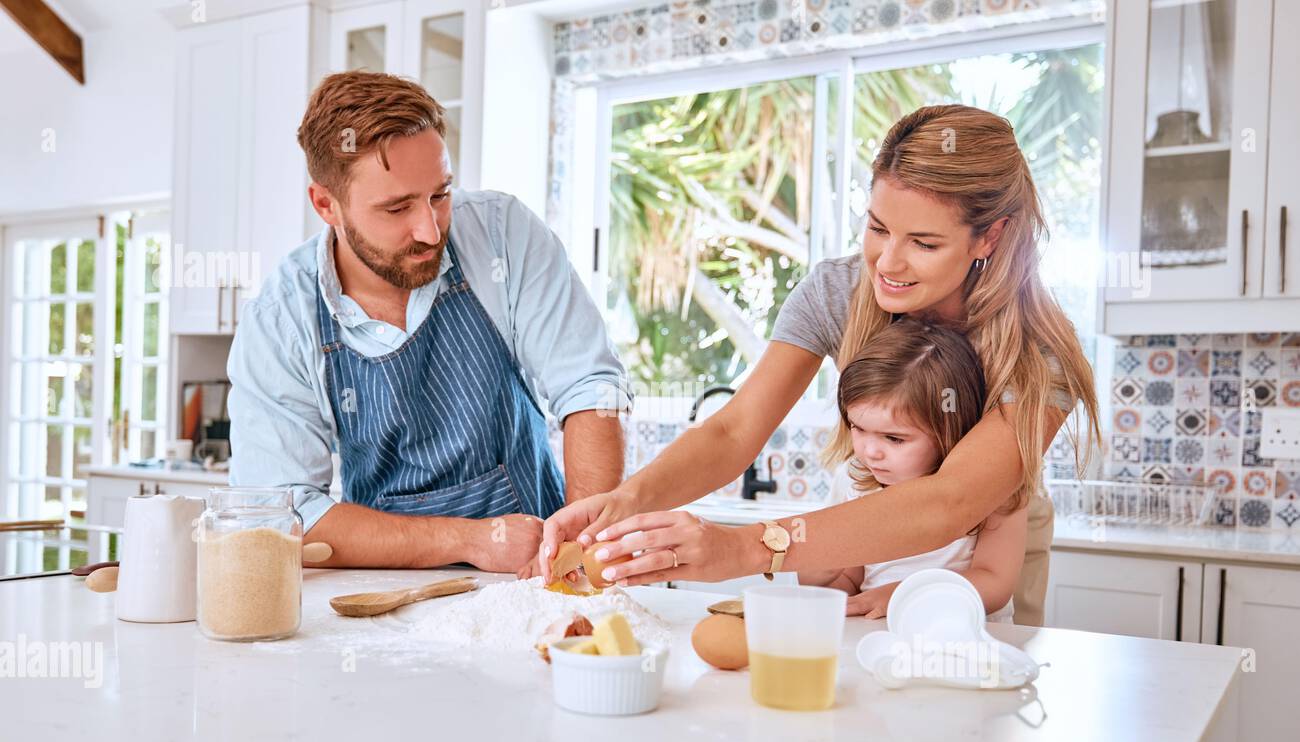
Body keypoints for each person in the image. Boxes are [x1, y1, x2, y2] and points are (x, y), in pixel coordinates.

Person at [540, 104, 1100, 617]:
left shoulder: (1039, 349)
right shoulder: (836, 292)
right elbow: (734, 430)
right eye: (878, 228)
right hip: (871, 521)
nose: (888, 262)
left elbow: (949, 501)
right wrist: (623, 502)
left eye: (924, 243)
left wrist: (743, 548)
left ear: (989, 238)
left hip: (981, 546)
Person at [228, 72, 628, 574]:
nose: (430, 229)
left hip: (532, 583)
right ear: (326, 204)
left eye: (440, 195)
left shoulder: (503, 235)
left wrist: (583, 545)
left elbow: (591, 388)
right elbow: (281, 514)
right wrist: (471, 541)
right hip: (381, 596)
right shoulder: (280, 320)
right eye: (397, 207)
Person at [798, 318, 1023, 622]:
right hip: (879, 637)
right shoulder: (854, 481)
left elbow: (994, 582)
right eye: (858, 428)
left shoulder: (996, 487)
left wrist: (903, 594)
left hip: (967, 641)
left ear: (948, 430)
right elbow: (850, 580)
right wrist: (819, 575)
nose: (870, 451)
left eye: (894, 438)